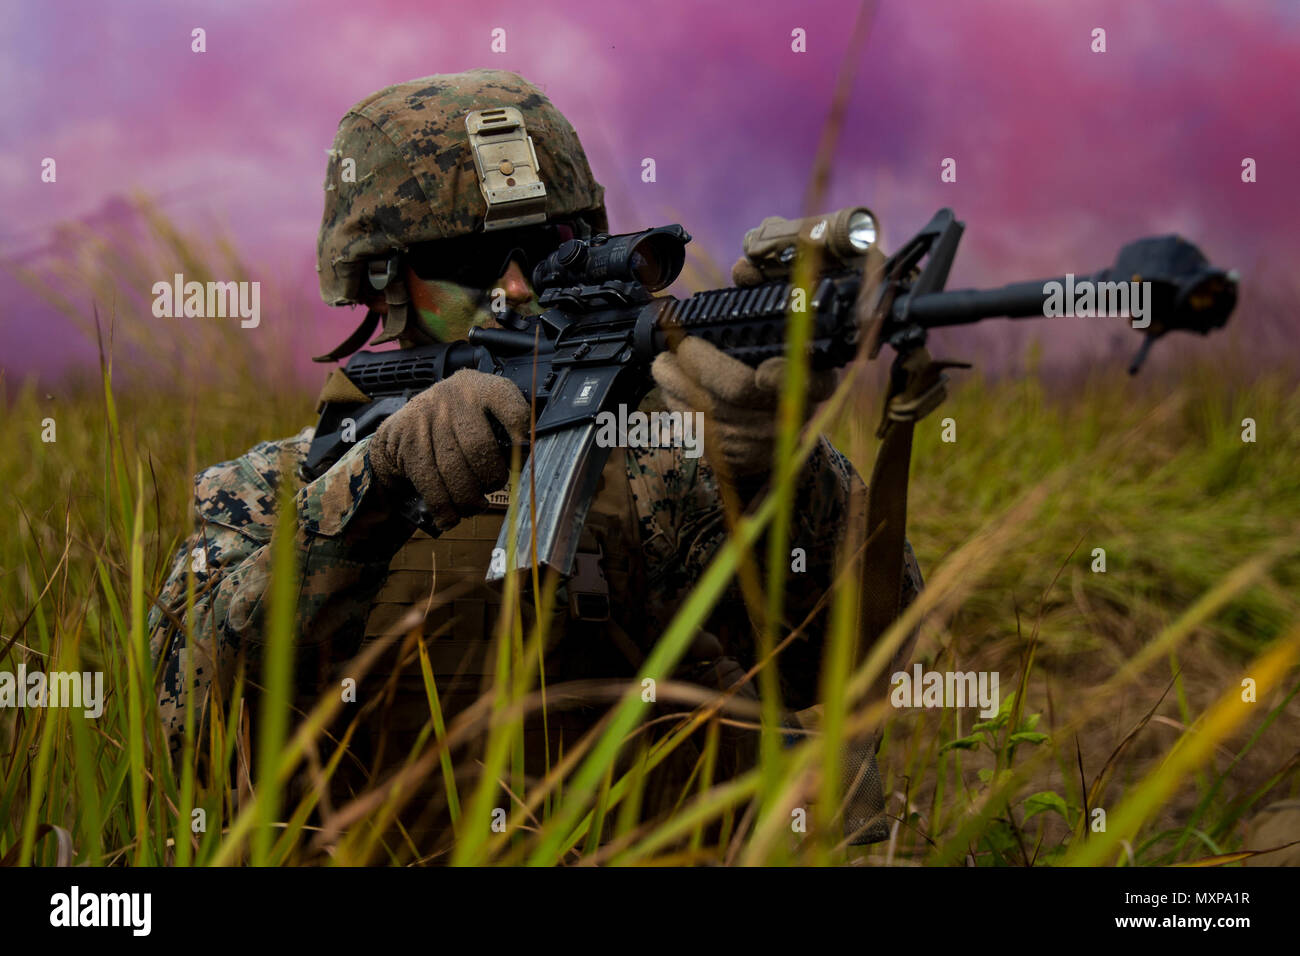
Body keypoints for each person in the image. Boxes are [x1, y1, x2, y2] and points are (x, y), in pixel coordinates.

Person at [147, 69, 922, 853]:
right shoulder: (269, 489)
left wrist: (768, 470)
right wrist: (374, 487)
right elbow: (193, 719)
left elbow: (862, 655)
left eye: (547, 252)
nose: (516, 287)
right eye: (473, 257)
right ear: (383, 280)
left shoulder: (668, 461)